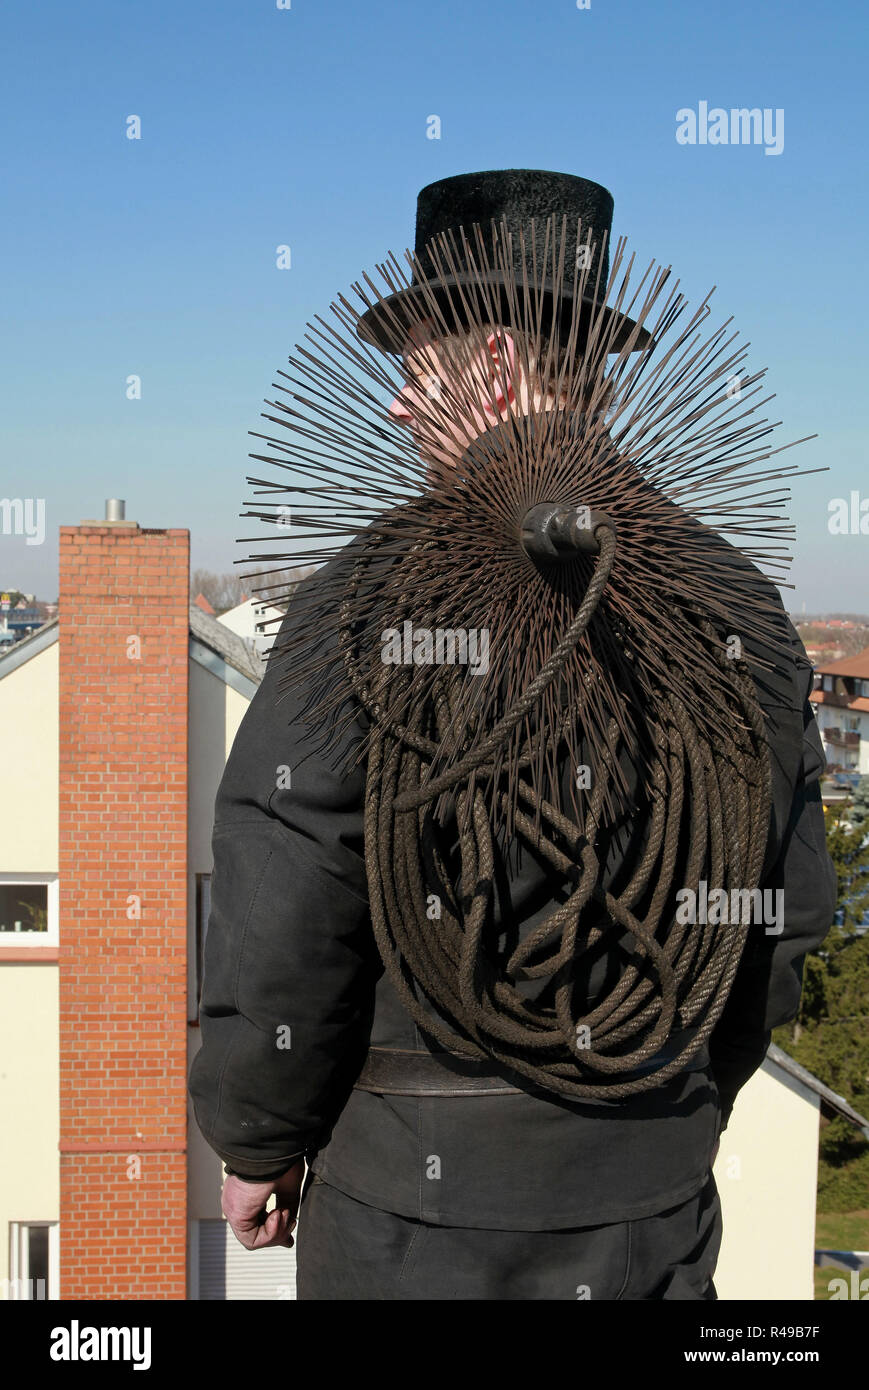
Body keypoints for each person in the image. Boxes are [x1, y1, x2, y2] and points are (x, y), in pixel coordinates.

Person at [189, 170, 837, 1300]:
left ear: (491, 361)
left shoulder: (366, 597)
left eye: (414, 371)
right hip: (650, 1216)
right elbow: (779, 921)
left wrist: (256, 1140)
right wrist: (669, 1112)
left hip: (413, 1227)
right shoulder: (738, 606)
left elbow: (288, 894)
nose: (398, 407)